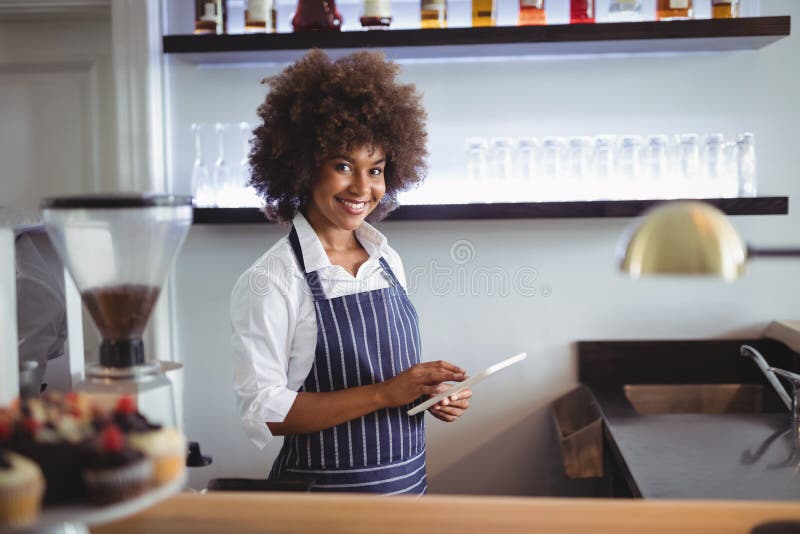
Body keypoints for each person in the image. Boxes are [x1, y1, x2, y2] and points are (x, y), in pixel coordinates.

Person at [230, 49, 472, 495]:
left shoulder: (387, 260)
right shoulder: (271, 279)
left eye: (375, 169)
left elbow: (385, 377)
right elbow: (264, 411)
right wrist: (385, 394)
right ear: (303, 167)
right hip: (321, 507)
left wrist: (426, 393)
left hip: (404, 495)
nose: (363, 188)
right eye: (343, 165)